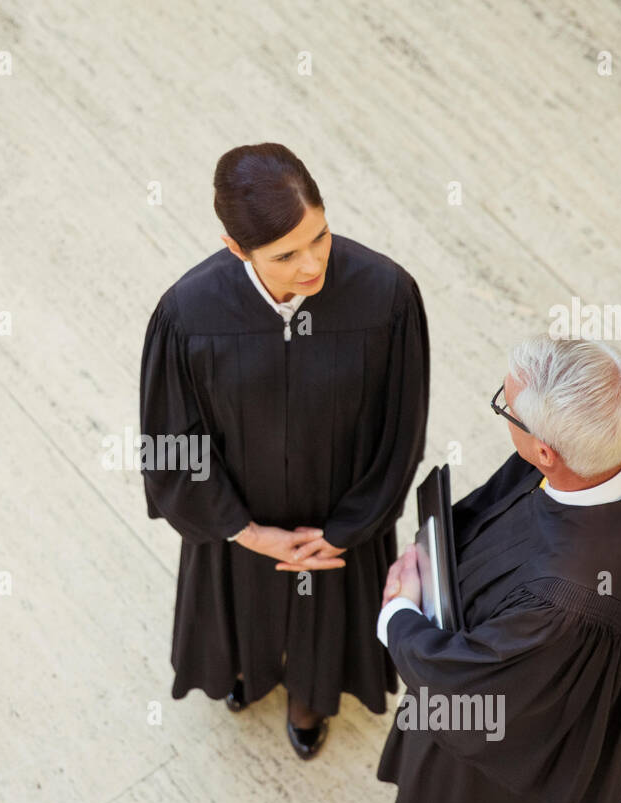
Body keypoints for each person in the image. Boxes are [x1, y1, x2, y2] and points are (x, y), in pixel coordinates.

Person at [324, 335, 621, 803]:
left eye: (506, 407)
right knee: (556, 797)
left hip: (506, 727)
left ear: (548, 453)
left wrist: (399, 611)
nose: (502, 404)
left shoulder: (565, 600)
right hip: (585, 698)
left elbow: (471, 692)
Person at [139, 143, 429, 759]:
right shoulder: (188, 315)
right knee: (241, 605)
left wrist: (349, 529)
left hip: (340, 519)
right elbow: (170, 445)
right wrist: (243, 531)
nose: (312, 265)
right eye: (286, 254)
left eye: (320, 236)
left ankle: (310, 696)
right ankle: (245, 670)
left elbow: (402, 426)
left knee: (326, 613)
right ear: (234, 248)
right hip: (239, 514)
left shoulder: (387, 296)